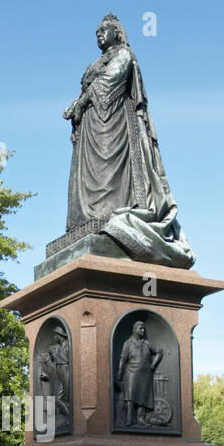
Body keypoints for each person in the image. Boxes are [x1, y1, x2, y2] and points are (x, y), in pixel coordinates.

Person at [63, 15, 194, 268]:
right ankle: (88, 218)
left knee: (111, 173)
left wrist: (82, 102)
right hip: (93, 125)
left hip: (114, 124)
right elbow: (87, 89)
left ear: (117, 33)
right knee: (90, 176)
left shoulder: (123, 54)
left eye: (104, 30)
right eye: (97, 31)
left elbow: (109, 82)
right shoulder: (95, 62)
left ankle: (111, 217)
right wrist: (77, 105)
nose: (100, 34)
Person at [115, 321, 163, 426]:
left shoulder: (147, 343)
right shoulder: (128, 343)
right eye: (141, 328)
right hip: (131, 372)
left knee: (143, 396)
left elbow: (159, 352)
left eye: (144, 329)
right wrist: (120, 372)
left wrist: (152, 365)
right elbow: (123, 359)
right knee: (130, 396)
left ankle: (141, 418)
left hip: (145, 374)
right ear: (134, 330)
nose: (143, 331)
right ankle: (129, 418)